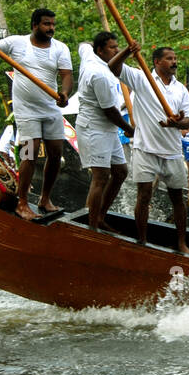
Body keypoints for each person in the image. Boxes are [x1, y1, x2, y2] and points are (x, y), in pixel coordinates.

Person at [109, 41, 189, 253]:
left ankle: (182, 243)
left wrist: (176, 123)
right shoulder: (142, 78)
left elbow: (188, 122)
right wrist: (127, 52)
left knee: (178, 199)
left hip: (172, 150)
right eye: (169, 59)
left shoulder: (181, 89)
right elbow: (112, 67)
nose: (174, 62)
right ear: (157, 62)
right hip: (145, 148)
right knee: (144, 195)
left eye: (175, 59)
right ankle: (142, 241)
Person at [0, 8, 74, 221]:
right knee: (29, 153)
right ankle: (22, 202)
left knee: (56, 153)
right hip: (26, 111)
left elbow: (66, 76)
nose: (51, 29)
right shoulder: (15, 43)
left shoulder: (60, 48)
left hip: (51, 108)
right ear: (35, 25)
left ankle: (45, 199)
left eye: (53, 25)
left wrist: (64, 93)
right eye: (47, 24)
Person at [76, 32, 134, 233]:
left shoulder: (89, 54)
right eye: (112, 48)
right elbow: (110, 111)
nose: (116, 51)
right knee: (101, 176)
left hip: (108, 130)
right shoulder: (100, 74)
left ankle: (99, 216)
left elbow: (82, 44)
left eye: (118, 47)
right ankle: (91, 228)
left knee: (121, 172)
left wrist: (123, 53)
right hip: (94, 129)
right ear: (100, 50)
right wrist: (130, 130)